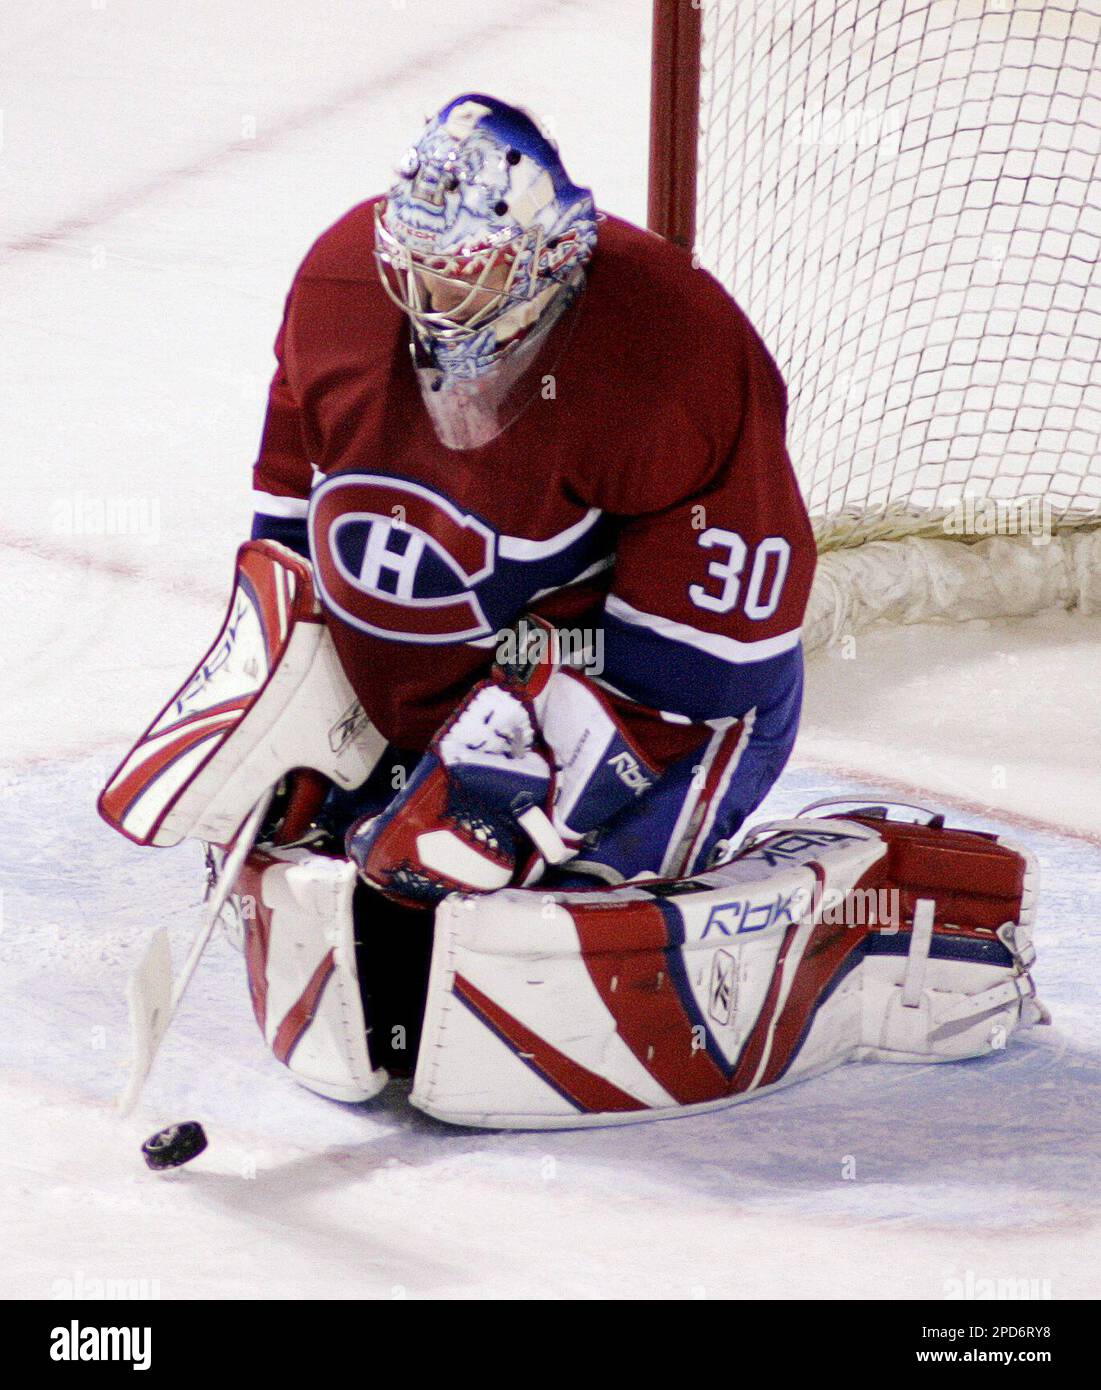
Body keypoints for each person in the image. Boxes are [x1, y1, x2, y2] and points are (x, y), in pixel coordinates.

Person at [248, 93, 816, 1068]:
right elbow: (287, 536)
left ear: (549, 259)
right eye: (416, 266)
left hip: (656, 703)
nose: (433, 300)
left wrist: (505, 786)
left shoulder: (674, 351)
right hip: (463, 693)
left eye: (465, 272)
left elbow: (709, 671)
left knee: (530, 939)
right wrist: (290, 723)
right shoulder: (341, 287)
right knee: (349, 883)